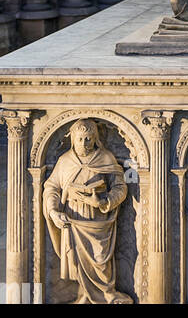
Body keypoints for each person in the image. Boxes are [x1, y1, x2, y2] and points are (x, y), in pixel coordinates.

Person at [43, 119, 132, 305]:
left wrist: (102, 201)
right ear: (73, 139)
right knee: (78, 262)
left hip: (99, 219)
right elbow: (51, 187)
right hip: (74, 219)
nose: (84, 143)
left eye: (88, 139)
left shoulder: (105, 158)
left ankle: (107, 293)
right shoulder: (65, 161)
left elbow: (120, 187)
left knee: (100, 259)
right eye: (81, 138)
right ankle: (84, 296)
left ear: (95, 139)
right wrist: (53, 211)